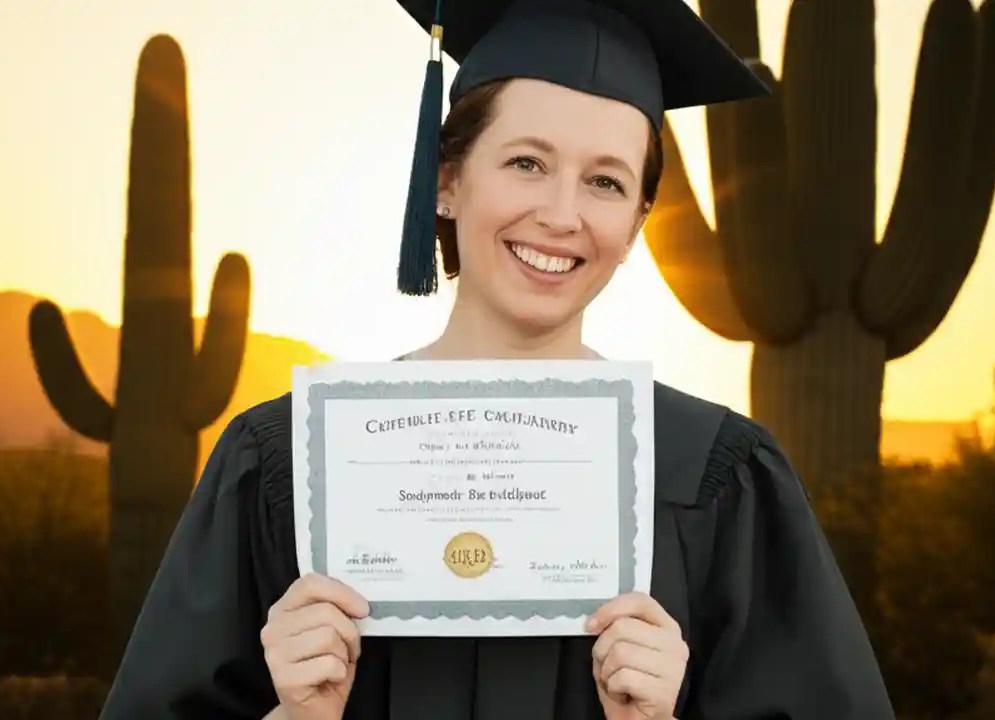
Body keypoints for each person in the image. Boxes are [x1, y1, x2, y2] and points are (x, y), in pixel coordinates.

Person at [98, 0, 896, 718]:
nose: (562, 214)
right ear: (447, 180)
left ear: (638, 220)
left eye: (607, 182)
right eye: (526, 163)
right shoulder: (284, 465)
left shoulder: (715, 477)